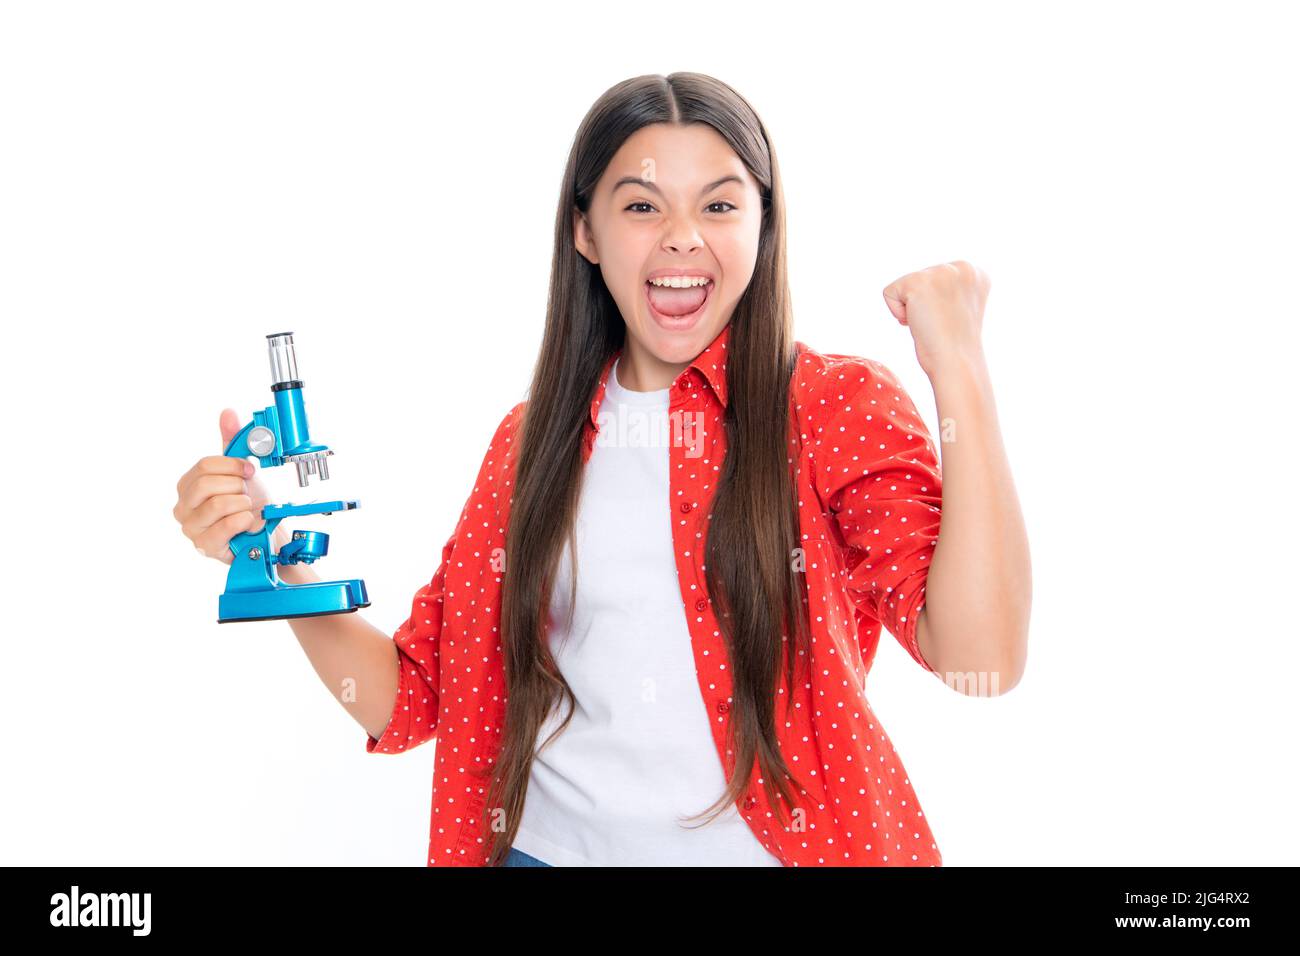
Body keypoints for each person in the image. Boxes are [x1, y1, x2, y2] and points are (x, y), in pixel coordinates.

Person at [172, 72, 1031, 868]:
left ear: (763, 226)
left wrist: (959, 367)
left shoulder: (830, 407)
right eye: (642, 205)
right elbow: (409, 699)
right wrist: (276, 558)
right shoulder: (529, 443)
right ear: (586, 231)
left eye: (721, 204)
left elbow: (979, 654)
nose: (683, 237)